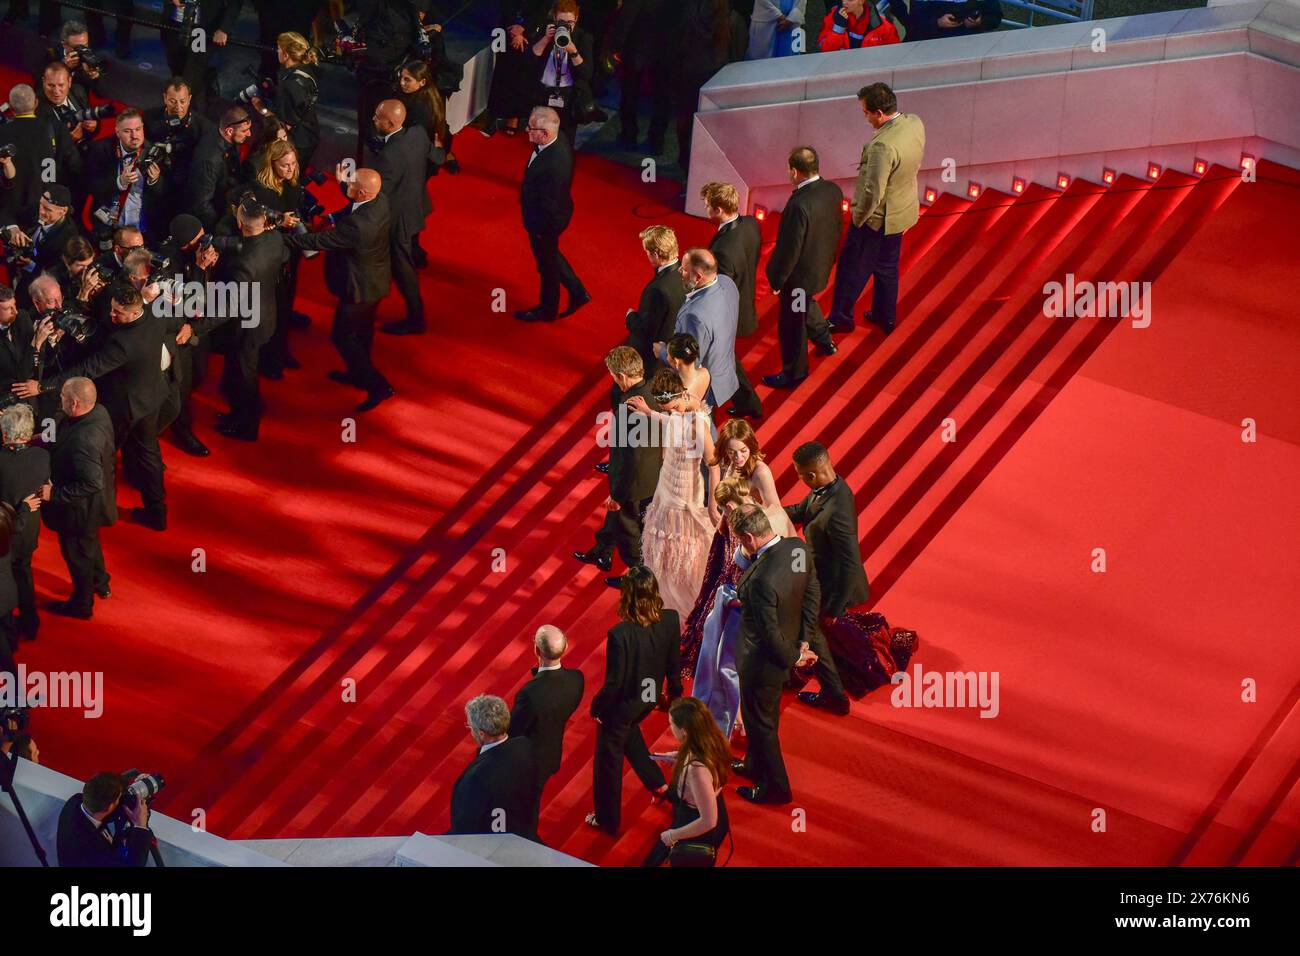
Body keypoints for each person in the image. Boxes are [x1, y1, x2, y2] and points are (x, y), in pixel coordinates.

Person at [40, 283, 168, 531]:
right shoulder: (153, 314)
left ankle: (105, 512)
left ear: (133, 312)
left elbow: (87, 369)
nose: (111, 316)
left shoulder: (123, 344)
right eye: (112, 309)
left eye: (117, 313)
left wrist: (44, 386)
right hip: (151, 398)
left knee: (104, 461)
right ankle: (157, 513)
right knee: (149, 456)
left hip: (124, 409)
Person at [730, 503, 819, 804]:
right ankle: (754, 764)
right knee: (763, 719)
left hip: (760, 664)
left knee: (761, 724)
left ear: (747, 538)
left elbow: (769, 635)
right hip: (782, 649)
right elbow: (811, 592)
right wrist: (804, 640)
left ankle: (777, 788)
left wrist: (794, 656)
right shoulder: (796, 549)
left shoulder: (759, 582)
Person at [288, 166, 396, 413]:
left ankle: (377, 385)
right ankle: (358, 374)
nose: (346, 186)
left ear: (362, 193)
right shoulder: (379, 199)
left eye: (350, 186)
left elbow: (319, 241)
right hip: (375, 281)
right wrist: (338, 206)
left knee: (342, 335)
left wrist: (284, 239)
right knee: (363, 332)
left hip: (359, 287)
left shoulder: (357, 227)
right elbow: (356, 202)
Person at [587, 566, 683, 832]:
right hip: (649, 700)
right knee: (630, 736)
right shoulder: (670, 619)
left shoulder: (620, 634)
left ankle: (606, 820)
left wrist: (597, 707)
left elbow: (615, 683)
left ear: (627, 596)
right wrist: (674, 694)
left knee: (608, 762)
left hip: (622, 706)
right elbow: (674, 663)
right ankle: (659, 785)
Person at [827, 83, 925, 336]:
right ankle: (885, 316)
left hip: (876, 220)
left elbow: (873, 191)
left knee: (851, 268)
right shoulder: (914, 122)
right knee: (887, 267)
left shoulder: (882, 147)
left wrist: (858, 218)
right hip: (902, 212)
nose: (865, 117)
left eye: (866, 113)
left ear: (879, 113)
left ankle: (840, 318)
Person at [626, 367, 717, 620]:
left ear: (682, 394)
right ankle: (661, 596)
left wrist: (712, 504)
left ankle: (683, 606)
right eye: (667, 410)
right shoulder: (677, 410)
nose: (672, 413)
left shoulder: (698, 423)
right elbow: (673, 420)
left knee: (685, 554)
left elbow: (713, 463)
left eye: (674, 406)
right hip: (666, 484)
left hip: (686, 491)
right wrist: (649, 413)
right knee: (662, 552)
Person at [785, 440, 868, 715]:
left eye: (799, 474)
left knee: (812, 634)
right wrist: (768, 514)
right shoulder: (828, 488)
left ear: (809, 475)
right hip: (819, 576)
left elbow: (851, 563)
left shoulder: (837, 513)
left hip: (829, 586)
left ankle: (834, 696)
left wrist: (834, 607)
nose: (799, 478)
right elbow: (801, 510)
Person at [762, 146, 844, 389]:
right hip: (820, 266)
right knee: (806, 303)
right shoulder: (832, 190)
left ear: (795, 171)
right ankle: (824, 340)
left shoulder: (799, 204)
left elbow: (790, 249)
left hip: (798, 277)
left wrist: (777, 280)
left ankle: (794, 373)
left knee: (792, 325)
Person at [39, 378, 116, 620]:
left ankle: (82, 605)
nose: (59, 400)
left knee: (76, 554)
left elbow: (92, 482)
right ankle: (100, 582)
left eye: (62, 397)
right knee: (89, 543)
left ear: (73, 403)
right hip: (92, 508)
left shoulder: (84, 440)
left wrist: (55, 494)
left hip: (78, 510)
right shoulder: (98, 411)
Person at [681, 475, 751, 731]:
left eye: (724, 508)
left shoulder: (740, 528)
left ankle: (737, 717)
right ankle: (738, 715)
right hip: (736, 598)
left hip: (736, 603)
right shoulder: (750, 516)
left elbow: (727, 566)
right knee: (728, 664)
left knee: (727, 664)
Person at [215, 196, 285, 441]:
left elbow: (229, 303)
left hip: (248, 324)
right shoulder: (275, 239)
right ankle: (241, 411)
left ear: (240, 223)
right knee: (242, 369)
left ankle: (247, 425)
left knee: (246, 373)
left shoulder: (244, 264)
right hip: (267, 313)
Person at [363, 100, 430, 336]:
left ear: (391, 124)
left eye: (378, 117)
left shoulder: (390, 156)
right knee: (403, 262)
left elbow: (375, 195)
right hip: (414, 207)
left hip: (398, 219)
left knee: (402, 268)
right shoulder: (418, 134)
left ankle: (416, 317)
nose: (373, 120)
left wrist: (347, 187)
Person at [515, 106, 589, 323]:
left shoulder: (554, 164)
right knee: (549, 256)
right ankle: (577, 292)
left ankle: (548, 309)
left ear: (545, 134)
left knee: (547, 264)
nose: (526, 130)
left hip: (546, 221)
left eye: (531, 128)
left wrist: (538, 229)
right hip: (550, 214)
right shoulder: (555, 140)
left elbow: (549, 204)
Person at [641, 696, 731, 866]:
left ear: (685, 731)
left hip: (697, 822)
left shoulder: (696, 771)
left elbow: (709, 821)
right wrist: (677, 758)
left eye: (672, 724)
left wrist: (672, 835)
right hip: (708, 809)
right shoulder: (713, 740)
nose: (670, 727)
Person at [701, 181, 764, 418]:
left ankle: (716, 410)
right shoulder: (749, 224)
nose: (706, 209)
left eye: (708, 206)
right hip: (745, 300)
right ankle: (748, 404)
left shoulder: (724, 250)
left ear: (718, 209)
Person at [245, 140, 304, 379]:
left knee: (285, 306)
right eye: (284, 165)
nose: (290, 169)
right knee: (272, 310)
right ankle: (269, 359)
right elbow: (253, 226)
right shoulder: (260, 191)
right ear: (272, 164)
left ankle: (280, 351)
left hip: (288, 255)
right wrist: (280, 221)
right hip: (270, 259)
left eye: (293, 164)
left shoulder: (291, 184)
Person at [448, 694, 541, 841]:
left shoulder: (476, 778)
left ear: (481, 734)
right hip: (523, 833)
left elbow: (465, 826)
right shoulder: (525, 746)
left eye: (470, 726)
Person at [508, 624, 585, 796]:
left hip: (527, 763)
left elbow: (513, 732)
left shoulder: (530, 693)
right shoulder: (577, 679)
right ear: (565, 647)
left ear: (536, 649)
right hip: (551, 755)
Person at [660, 249, 739, 412]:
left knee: (700, 430)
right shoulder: (727, 283)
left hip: (706, 389)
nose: (680, 271)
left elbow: (690, 361)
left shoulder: (694, 316)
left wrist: (661, 351)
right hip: (725, 375)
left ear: (697, 277)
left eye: (684, 269)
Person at [397, 59, 456, 269]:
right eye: (401, 77)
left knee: (408, 211)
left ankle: (413, 254)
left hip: (417, 164)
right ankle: (413, 251)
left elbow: (414, 142)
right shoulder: (430, 97)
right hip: (424, 163)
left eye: (407, 79)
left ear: (422, 82)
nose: (402, 83)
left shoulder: (417, 108)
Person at [0, 403, 48, 639]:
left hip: (4, 532)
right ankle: (30, 623)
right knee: (23, 573)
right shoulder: (42, 457)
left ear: (5, 433)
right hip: (28, 531)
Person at [85, 109, 165, 246]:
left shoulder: (156, 152)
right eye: (127, 131)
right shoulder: (100, 150)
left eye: (138, 129)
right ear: (117, 132)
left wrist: (155, 180)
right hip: (109, 226)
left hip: (142, 228)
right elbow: (91, 186)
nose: (135, 136)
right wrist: (119, 182)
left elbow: (166, 192)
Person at [143, 79, 216, 228]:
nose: (178, 107)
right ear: (164, 98)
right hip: (155, 183)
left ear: (189, 99)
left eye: (182, 101)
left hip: (184, 187)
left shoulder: (204, 128)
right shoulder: (150, 117)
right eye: (172, 101)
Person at [673, 0, 732, 172]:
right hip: (714, 69)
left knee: (685, 116)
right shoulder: (722, 7)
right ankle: (705, 159)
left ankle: (685, 159)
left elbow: (680, 34)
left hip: (689, 69)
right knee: (709, 120)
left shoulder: (688, 8)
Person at [608, 0, 672, 153]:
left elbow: (626, 19)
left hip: (637, 47)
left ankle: (629, 137)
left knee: (630, 94)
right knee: (662, 97)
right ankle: (657, 140)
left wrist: (616, 46)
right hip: (665, 49)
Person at [56, 772, 153, 867]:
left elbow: (104, 793)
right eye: (119, 797)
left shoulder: (76, 801)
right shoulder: (93, 850)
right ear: (109, 807)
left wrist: (137, 788)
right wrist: (140, 826)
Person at [529, 1, 595, 140]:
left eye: (569, 22)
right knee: (541, 136)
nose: (565, 26)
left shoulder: (583, 37)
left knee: (565, 140)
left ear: (577, 18)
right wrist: (546, 39)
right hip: (544, 93)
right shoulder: (546, 31)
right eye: (561, 22)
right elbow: (529, 61)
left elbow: (586, 74)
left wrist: (573, 51)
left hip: (569, 96)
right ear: (554, 18)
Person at [160, 0, 242, 110]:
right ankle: (177, 111)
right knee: (176, 72)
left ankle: (186, 115)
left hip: (200, 31)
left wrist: (223, 29)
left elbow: (235, 3)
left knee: (190, 77)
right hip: (174, 26)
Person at [624, 225, 684, 372]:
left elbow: (646, 330)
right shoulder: (685, 271)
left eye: (647, 252)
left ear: (656, 255)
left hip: (651, 360)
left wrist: (630, 317)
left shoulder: (657, 290)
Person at [187, 107, 253, 232]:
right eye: (245, 130)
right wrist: (220, 227)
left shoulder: (229, 140)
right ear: (229, 131)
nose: (249, 134)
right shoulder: (210, 160)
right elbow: (202, 204)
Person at [894, 0, 1002, 42]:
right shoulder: (923, 4)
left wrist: (980, 21)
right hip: (928, 46)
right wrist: (937, 24)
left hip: (966, 45)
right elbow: (912, 27)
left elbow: (995, 17)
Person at [817, 0, 902, 51]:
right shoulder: (833, 17)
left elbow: (894, 57)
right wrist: (838, 28)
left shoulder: (884, 27)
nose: (844, 3)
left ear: (861, 1)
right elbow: (825, 50)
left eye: (850, 0)